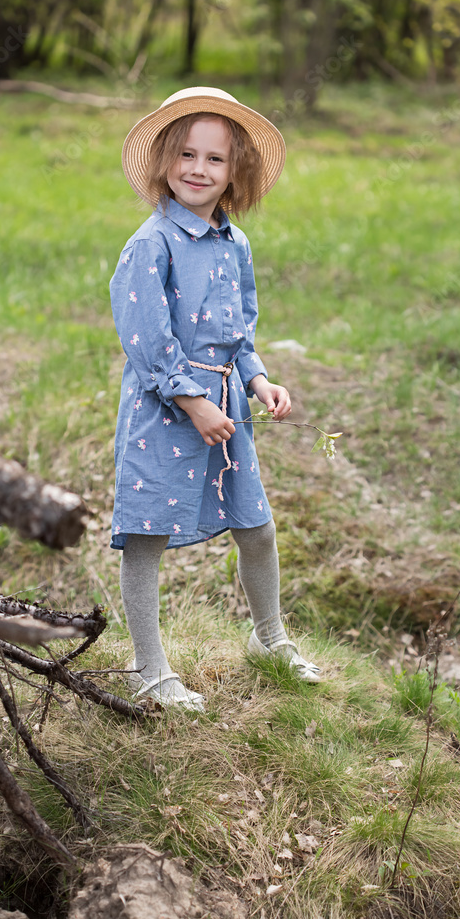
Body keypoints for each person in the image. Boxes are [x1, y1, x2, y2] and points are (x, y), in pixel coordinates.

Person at [109, 86, 321, 709]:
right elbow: (147, 340)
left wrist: (259, 380)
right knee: (146, 534)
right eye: (187, 156)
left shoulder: (235, 243)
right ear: (165, 162)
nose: (199, 170)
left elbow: (239, 330)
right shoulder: (152, 244)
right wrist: (193, 401)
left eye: (215, 159)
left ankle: (269, 636)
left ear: (235, 171)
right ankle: (148, 669)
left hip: (227, 408)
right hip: (164, 408)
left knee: (256, 526)